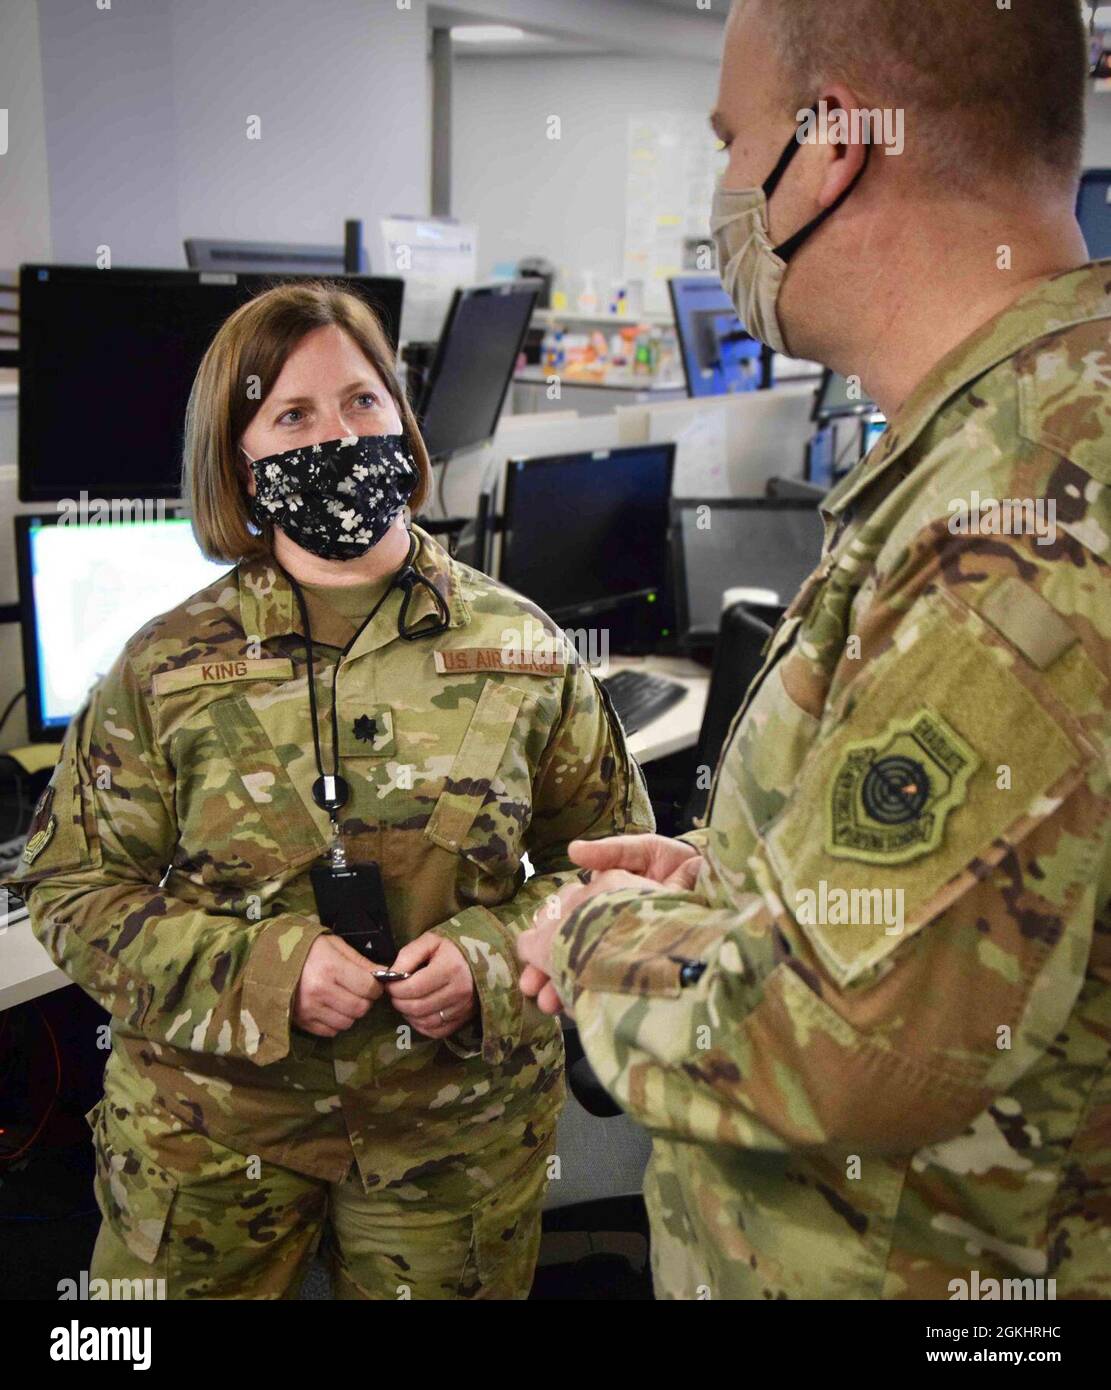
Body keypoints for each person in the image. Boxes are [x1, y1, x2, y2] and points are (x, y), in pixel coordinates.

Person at [519, 0, 1110, 1300]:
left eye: (733, 139)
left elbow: (841, 1045)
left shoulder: (1010, 515)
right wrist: (747, 888)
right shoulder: (1029, 429)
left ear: (831, 142)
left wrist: (589, 931)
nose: (725, 189)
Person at [2, 281, 653, 1299]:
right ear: (241, 455)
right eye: (292, 414)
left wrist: (489, 955)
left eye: (361, 401)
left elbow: (615, 869)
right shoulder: (162, 664)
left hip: (451, 1139)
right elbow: (74, 889)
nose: (338, 435)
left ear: (402, 419)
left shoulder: (522, 646)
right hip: (214, 1134)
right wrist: (263, 973)